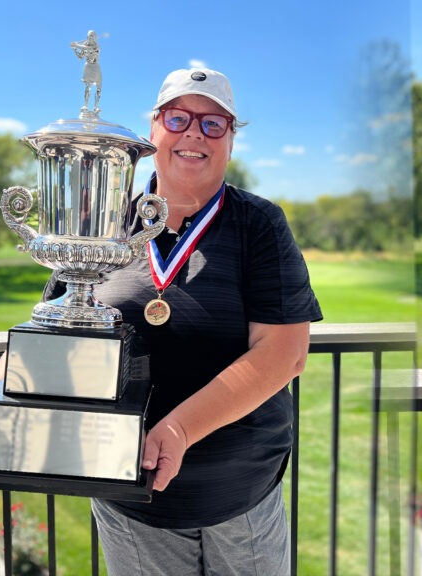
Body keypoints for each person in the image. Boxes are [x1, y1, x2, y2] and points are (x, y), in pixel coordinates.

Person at [78, 68, 322, 574]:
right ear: (153, 130)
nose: (194, 133)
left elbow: (285, 354)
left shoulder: (260, 224)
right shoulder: (103, 223)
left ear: (231, 141)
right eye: (179, 117)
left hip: (241, 498)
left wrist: (182, 429)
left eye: (214, 123)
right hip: (128, 496)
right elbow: (54, 324)